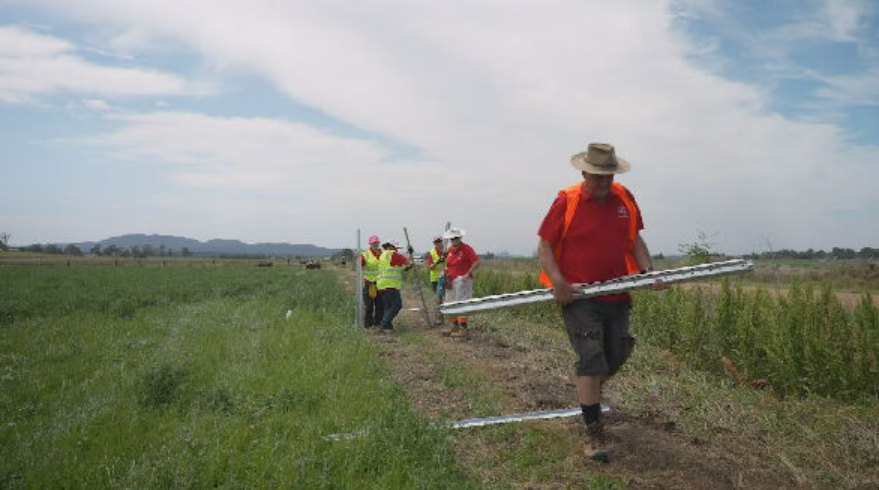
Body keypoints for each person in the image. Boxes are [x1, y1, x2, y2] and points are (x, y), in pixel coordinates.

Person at [537, 143, 666, 463]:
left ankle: (589, 385)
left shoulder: (624, 198)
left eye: (608, 176)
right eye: (597, 177)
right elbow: (545, 245)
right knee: (592, 359)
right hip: (579, 296)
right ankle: (594, 434)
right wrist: (559, 283)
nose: (603, 183)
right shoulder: (566, 201)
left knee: (615, 355)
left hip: (617, 293)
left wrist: (648, 273)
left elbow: (635, 239)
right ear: (584, 173)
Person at [442, 228, 480, 339]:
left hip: (463, 280)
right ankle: (454, 326)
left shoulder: (467, 249)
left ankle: (464, 329)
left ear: (460, 238)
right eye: (452, 238)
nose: (454, 240)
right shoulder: (449, 250)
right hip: (450, 280)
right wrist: (445, 273)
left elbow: (477, 262)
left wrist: (468, 273)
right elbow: (448, 265)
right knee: (450, 303)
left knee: (461, 303)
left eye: (456, 238)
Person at [376, 241, 412, 333]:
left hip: (381, 284)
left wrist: (406, 268)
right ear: (392, 247)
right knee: (397, 305)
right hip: (390, 285)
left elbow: (394, 269)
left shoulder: (382, 255)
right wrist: (410, 253)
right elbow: (408, 262)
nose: (397, 251)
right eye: (396, 249)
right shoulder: (393, 254)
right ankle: (384, 324)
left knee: (388, 306)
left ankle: (388, 327)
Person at [360, 235, 384, 328]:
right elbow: (360, 264)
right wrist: (359, 260)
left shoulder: (382, 253)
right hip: (370, 283)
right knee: (369, 305)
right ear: (370, 244)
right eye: (373, 243)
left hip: (381, 283)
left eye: (377, 242)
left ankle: (378, 323)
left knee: (380, 305)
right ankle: (367, 325)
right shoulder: (366, 254)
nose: (375, 244)